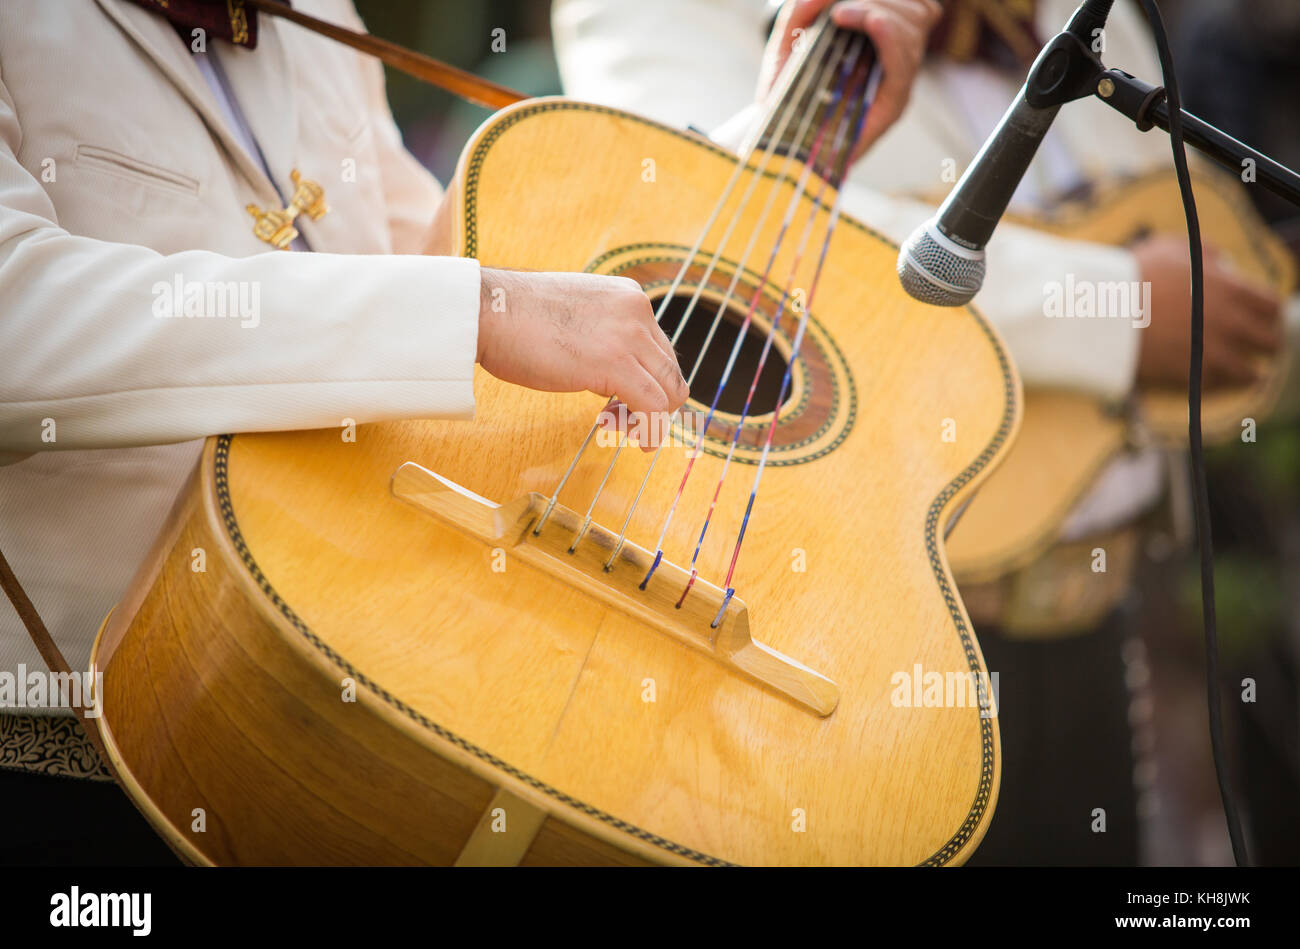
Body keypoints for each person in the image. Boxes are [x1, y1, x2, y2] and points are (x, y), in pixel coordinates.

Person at [0, 0, 934, 863]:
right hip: (73, 739)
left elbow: (456, 261)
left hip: (371, 712)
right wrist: (481, 309)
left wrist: (792, 128)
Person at [551, 0, 1285, 863]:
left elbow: (1194, 230)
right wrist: (1110, 308)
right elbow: (692, 199)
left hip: (1095, 613)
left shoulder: (1077, 14)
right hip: (855, 644)